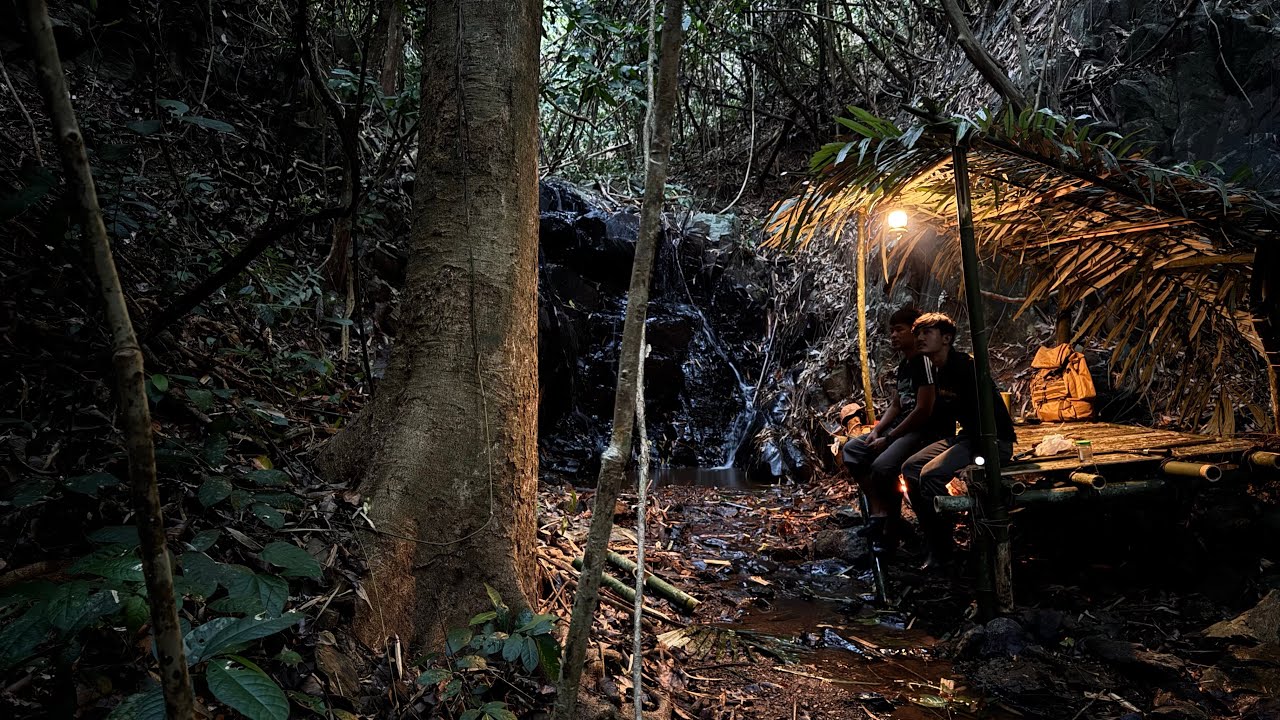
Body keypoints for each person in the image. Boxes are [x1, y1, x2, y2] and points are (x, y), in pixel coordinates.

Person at [902, 312, 1016, 570]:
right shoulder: (938, 369)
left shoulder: (966, 367)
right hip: (966, 437)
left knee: (930, 475)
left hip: (991, 441)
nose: (919, 338)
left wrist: (975, 453)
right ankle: (935, 538)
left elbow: (988, 417)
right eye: (917, 333)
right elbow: (944, 413)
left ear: (947, 338)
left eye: (927, 333)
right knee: (910, 468)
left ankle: (944, 548)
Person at [841, 306, 942, 550]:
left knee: (882, 466)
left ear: (915, 331)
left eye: (899, 330)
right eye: (891, 331)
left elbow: (923, 410)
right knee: (853, 449)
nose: (893, 336)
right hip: (899, 428)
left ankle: (892, 526)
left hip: (923, 431)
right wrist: (877, 430)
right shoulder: (905, 365)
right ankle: (880, 513)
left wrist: (889, 439)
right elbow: (897, 404)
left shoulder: (924, 363)